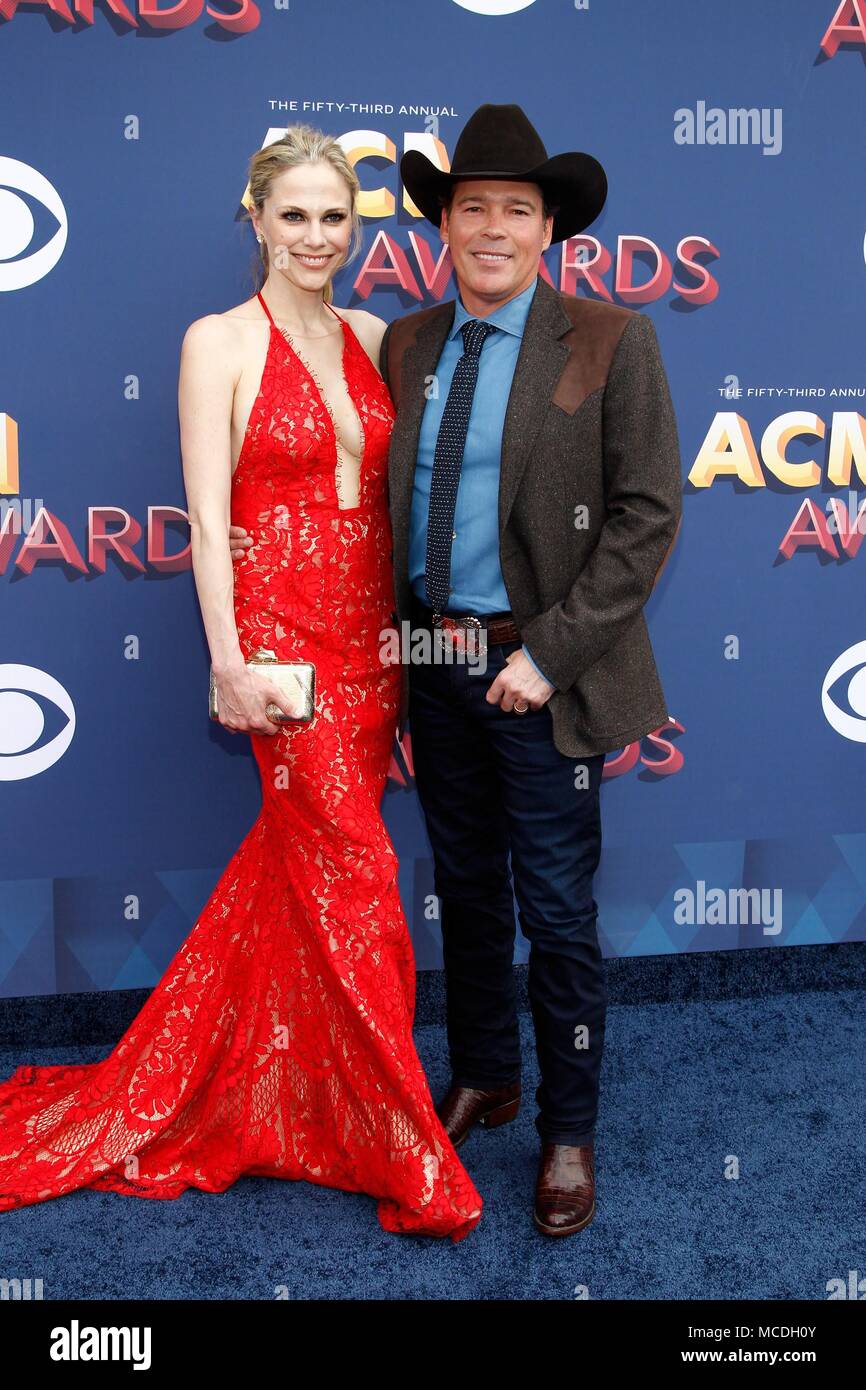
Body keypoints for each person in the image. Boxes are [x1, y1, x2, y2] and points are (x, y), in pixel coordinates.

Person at [0, 125, 482, 1243]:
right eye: (295, 214)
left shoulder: (372, 332)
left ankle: (279, 1086)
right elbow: (209, 525)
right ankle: (403, 1142)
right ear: (254, 219)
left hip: (373, 652)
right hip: (279, 653)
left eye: (335, 216)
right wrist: (227, 658)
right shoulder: (216, 341)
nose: (316, 235)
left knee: (296, 874)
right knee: (360, 879)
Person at [230, 103, 682, 1237]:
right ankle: (488, 1075)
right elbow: (372, 509)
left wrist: (550, 653)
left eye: (513, 210)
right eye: (469, 206)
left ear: (547, 229)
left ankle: (566, 1135)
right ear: (442, 224)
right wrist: (391, 664)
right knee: (467, 893)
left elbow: (644, 516)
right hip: (431, 660)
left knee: (557, 912)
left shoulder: (608, 341)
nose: (489, 227)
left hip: (544, 674)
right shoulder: (409, 341)